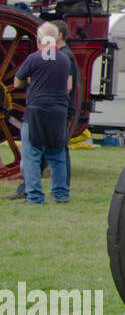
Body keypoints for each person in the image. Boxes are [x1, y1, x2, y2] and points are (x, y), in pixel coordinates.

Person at [4, 20, 80, 200]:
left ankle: (35, 196)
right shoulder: (64, 59)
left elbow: (16, 82)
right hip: (58, 112)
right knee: (57, 156)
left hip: (36, 112)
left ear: (39, 41)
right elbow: (69, 86)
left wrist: (33, 81)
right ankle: (61, 195)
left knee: (31, 156)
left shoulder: (34, 58)